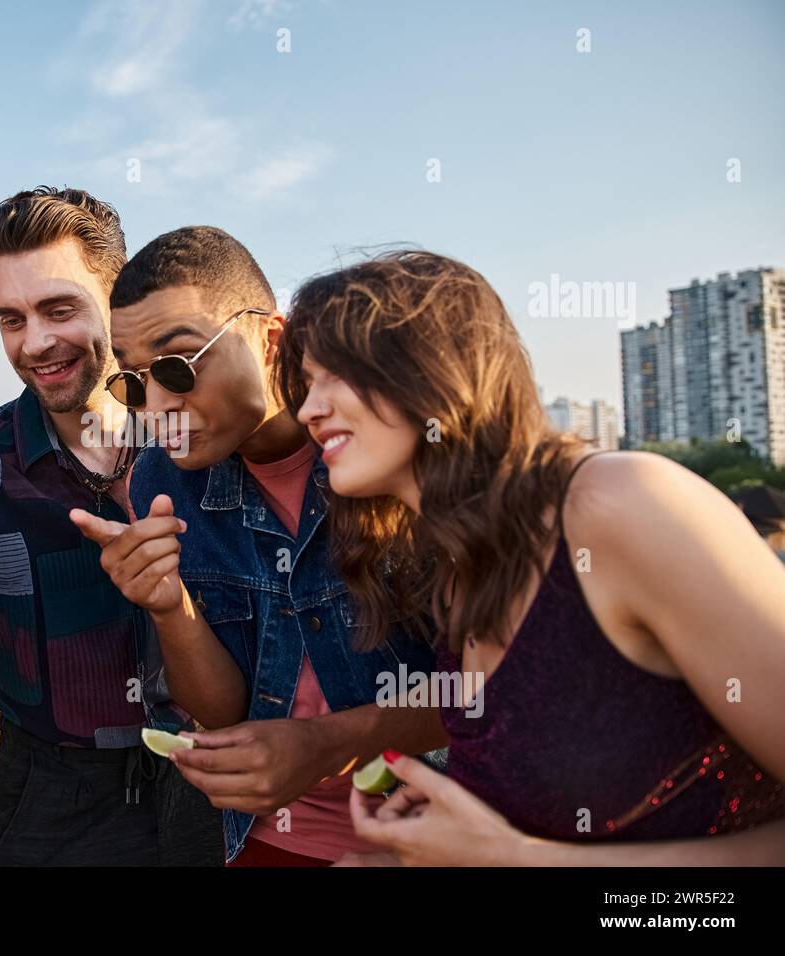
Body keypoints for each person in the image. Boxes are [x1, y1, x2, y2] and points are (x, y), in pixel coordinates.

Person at [272, 250, 785, 864]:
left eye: (334, 374)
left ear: (433, 366)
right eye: (307, 383)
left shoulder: (620, 506)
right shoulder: (460, 570)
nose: (308, 410)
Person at [73, 227, 443, 867]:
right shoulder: (162, 480)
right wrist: (168, 605)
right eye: (132, 382)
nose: (156, 406)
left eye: (177, 367)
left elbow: (482, 690)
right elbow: (221, 709)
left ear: (270, 340)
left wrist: (324, 745)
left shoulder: (389, 448)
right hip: (266, 837)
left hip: (439, 829)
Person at [0, 186, 222, 865]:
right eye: (11, 319)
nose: (35, 342)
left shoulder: (202, 445)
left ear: (118, 297)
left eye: (59, 309)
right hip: (53, 805)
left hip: (213, 781)